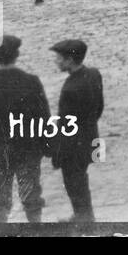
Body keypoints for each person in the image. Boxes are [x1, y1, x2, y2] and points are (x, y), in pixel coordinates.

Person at [0, 35, 49, 224]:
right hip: (28, 151)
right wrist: (48, 147)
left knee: (0, 203)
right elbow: (44, 118)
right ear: (17, 54)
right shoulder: (32, 82)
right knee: (31, 199)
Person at [48, 39, 103, 225]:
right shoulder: (94, 74)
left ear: (70, 60)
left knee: (74, 184)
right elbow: (99, 108)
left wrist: (56, 153)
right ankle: (84, 216)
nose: (56, 61)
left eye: (59, 58)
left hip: (72, 148)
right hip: (90, 139)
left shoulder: (70, 89)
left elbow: (65, 126)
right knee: (81, 181)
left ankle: (84, 220)